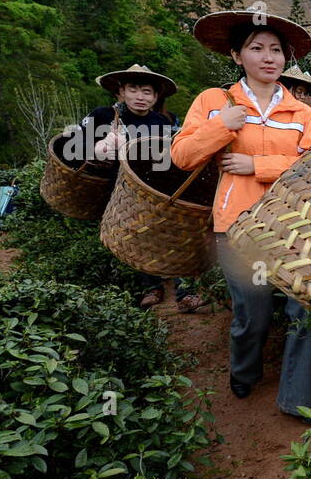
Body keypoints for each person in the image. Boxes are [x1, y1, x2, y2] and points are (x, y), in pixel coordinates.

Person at [169, 7, 311, 420]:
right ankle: (245, 370)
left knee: (303, 308)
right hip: (238, 227)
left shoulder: (301, 112)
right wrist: (224, 125)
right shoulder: (214, 101)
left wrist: (260, 167)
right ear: (238, 56)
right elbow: (181, 155)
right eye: (257, 48)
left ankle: (296, 395)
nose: (269, 57)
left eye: (276, 49)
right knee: (251, 315)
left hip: (294, 224)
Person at [52, 63, 202, 312]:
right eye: (133, 89)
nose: (140, 97)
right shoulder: (102, 116)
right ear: (121, 92)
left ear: (155, 97)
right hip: (121, 191)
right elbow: (69, 145)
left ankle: (184, 291)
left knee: (170, 235)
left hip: (157, 189)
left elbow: (177, 157)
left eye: (147, 92)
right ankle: (151, 287)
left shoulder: (164, 122)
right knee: (136, 236)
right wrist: (97, 151)